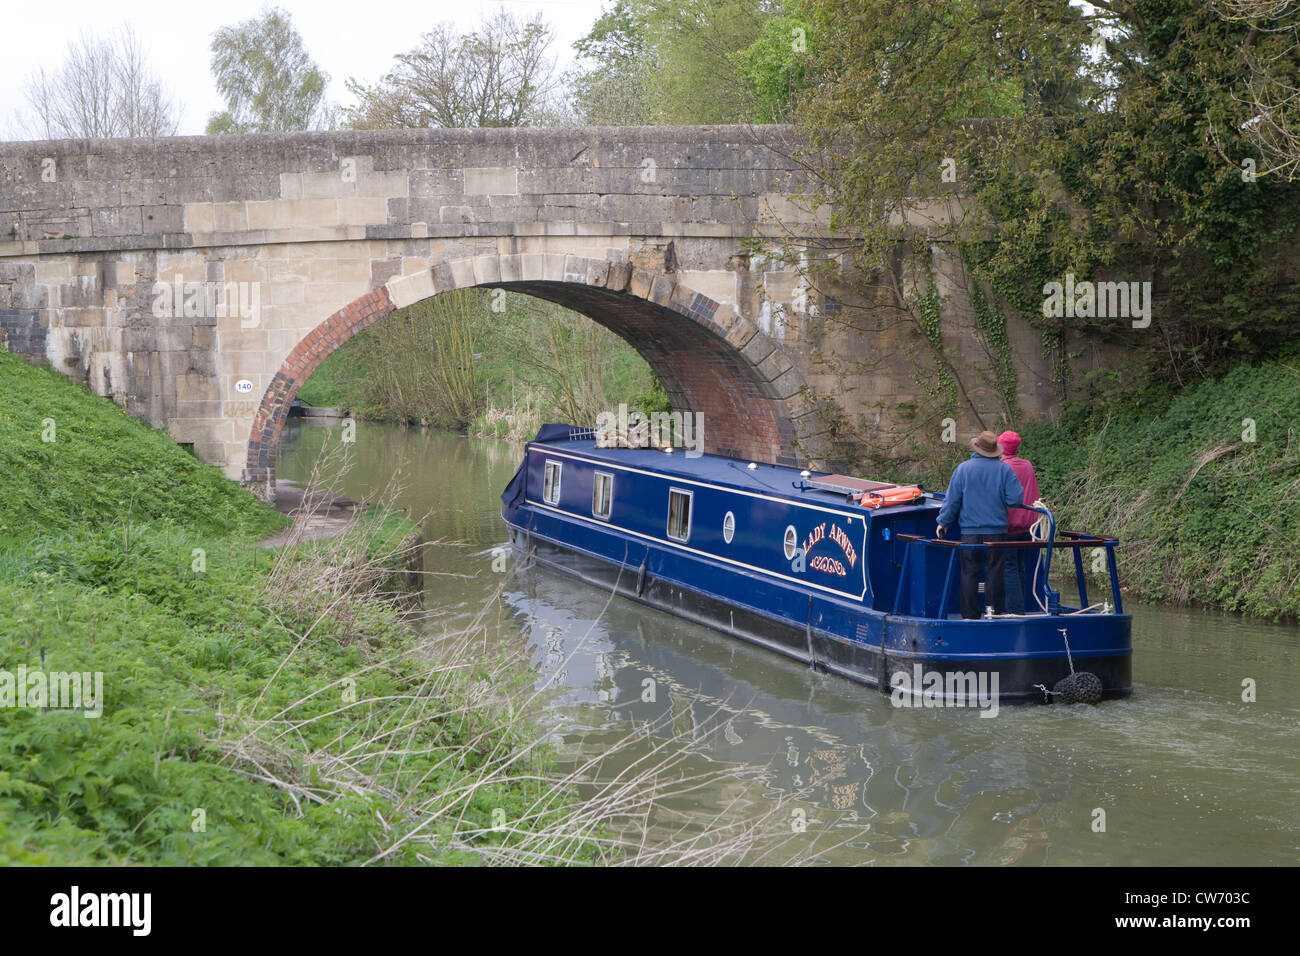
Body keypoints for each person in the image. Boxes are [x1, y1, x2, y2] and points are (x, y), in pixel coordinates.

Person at [935, 431, 1024, 619]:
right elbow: (1015, 500)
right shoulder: (1004, 470)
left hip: (970, 533)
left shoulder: (963, 470)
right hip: (997, 533)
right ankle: (993, 613)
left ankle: (969, 615)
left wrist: (943, 523)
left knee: (969, 574)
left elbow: (952, 502)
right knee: (994, 573)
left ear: (977, 448)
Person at [998, 430, 1042, 614]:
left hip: (1009, 526)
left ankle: (1014, 610)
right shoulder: (1027, 465)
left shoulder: (1001, 468)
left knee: (1008, 567)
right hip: (1028, 526)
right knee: (1020, 566)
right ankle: (1021, 606)